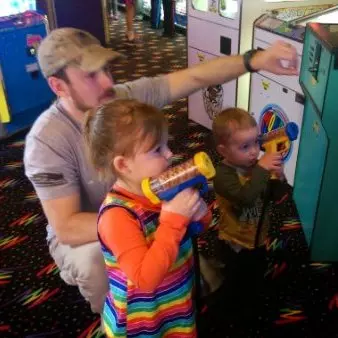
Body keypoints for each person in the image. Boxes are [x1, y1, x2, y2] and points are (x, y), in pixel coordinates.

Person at [23, 27, 298, 315]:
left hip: (143, 205)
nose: (108, 81)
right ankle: (113, 315)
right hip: (93, 229)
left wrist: (253, 60)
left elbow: (192, 78)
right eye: (91, 75)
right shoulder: (46, 141)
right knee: (98, 263)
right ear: (58, 86)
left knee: (192, 275)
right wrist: (150, 223)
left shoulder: (121, 103)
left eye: (105, 68)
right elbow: (67, 226)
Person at [83, 99, 212, 336]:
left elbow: (195, 229)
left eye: (166, 144)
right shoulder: (117, 216)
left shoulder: (162, 189)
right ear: (123, 165)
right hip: (142, 320)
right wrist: (173, 221)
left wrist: (200, 213)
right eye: (157, 150)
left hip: (175, 300)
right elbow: (145, 278)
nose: (170, 153)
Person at [211, 107, 284, 320]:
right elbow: (245, 198)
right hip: (235, 241)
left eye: (255, 143)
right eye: (245, 147)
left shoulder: (255, 168)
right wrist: (262, 170)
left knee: (255, 273)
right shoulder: (223, 175)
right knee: (235, 280)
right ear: (223, 151)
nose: (254, 152)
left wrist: (279, 178)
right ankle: (234, 313)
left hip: (258, 236)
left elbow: (275, 196)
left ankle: (254, 300)